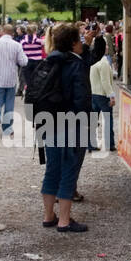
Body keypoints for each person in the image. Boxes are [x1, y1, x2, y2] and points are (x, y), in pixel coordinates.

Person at [37, 22, 91, 232]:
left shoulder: (48, 61)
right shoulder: (76, 65)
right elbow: (82, 99)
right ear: (73, 43)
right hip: (71, 125)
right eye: (80, 40)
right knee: (69, 170)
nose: (82, 44)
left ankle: (49, 215)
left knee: (52, 169)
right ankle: (65, 220)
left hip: (48, 123)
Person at [89, 47, 116, 152]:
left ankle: (90, 144)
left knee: (92, 120)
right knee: (108, 120)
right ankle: (109, 144)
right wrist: (111, 95)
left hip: (93, 93)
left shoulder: (92, 61)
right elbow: (105, 81)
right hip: (103, 95)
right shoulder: (104, 62)